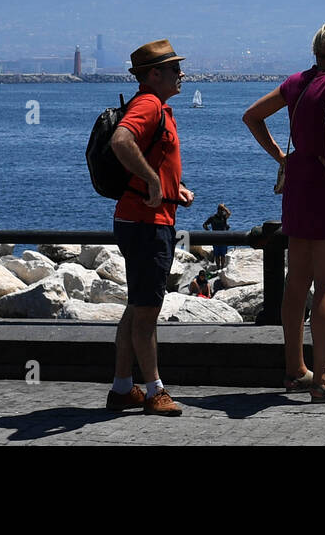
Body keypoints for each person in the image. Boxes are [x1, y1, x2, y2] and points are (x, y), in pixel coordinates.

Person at [242, 22, 325, 402]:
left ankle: (295, 369)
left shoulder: (296, 82)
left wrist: (281, 155)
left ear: (315, 50)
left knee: (296, 283)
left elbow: (252, 116)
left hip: (297, 187)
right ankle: (324, 380)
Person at [106, 39, 194, 417]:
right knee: (147, 312)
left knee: (136, 305)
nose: (182, 74)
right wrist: (153, 183)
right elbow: (121, 140)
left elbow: (151, 157)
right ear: (154, 74)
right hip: (146, 224)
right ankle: (156, 390)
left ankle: (123, 388)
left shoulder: (156, 106)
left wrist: (173, 189)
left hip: (140, 218)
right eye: (175, 69)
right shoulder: (148, 104)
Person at [203, 203, 232, 269]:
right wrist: (208, 231)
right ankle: (219, 267)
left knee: (222, 254)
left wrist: (207, 230)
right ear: (218, 210)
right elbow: (205, 225)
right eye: (221, 209)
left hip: (222, 237)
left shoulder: (223, 217)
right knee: (217, 254)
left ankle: (221, 267)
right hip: (216, 237)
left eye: (222, 210)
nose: (222, 211)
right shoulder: (213, 217)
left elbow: (229, 213)